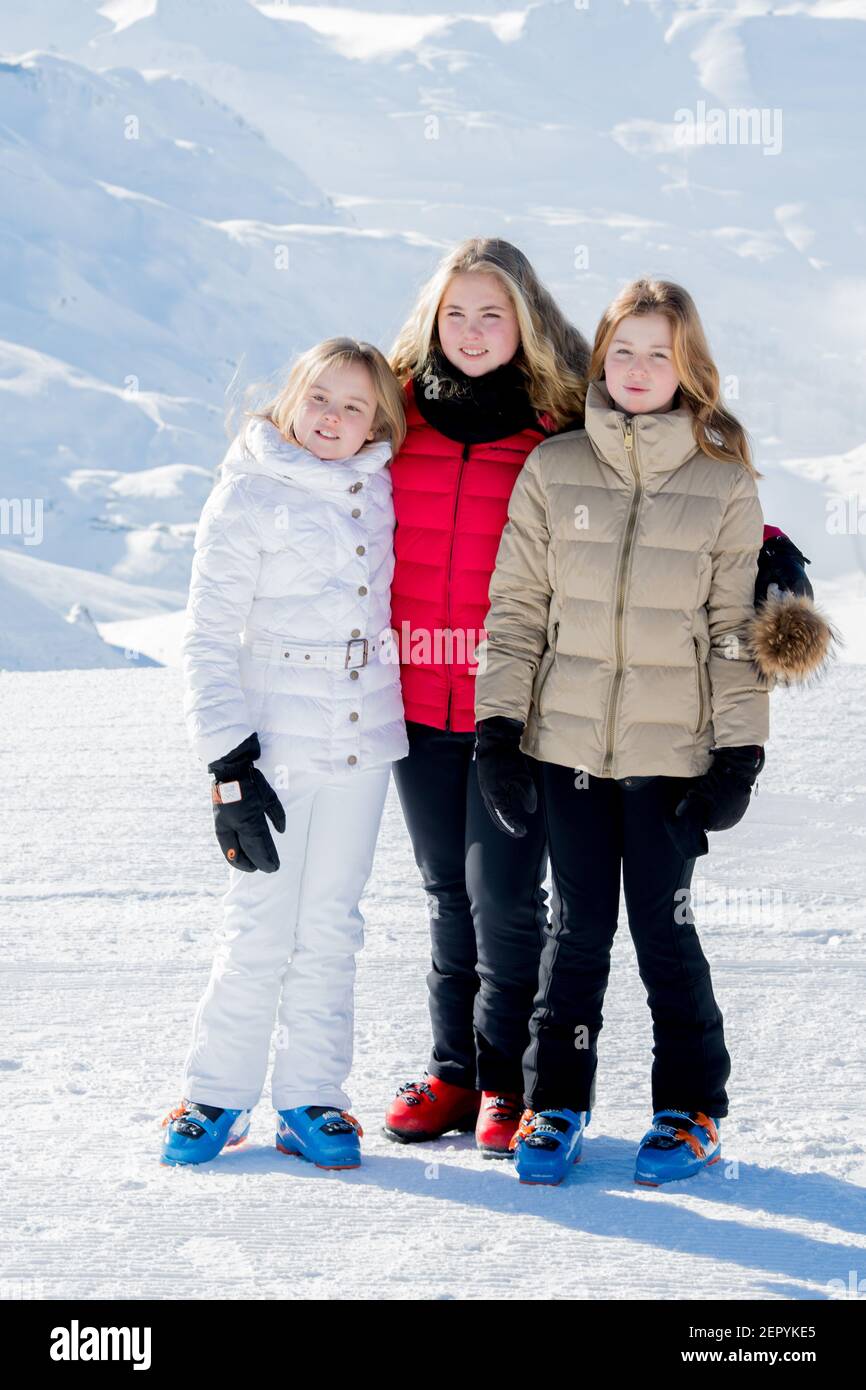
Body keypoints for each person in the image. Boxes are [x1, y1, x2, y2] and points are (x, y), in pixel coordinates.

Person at [473, 277, 833, 1186]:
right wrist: (498, 726)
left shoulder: (720, 486)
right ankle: (554, 1104)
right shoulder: (554, 470)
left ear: (688, 366)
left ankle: (691, 1109)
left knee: (664, 931)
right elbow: (517, 610)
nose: (637, 368)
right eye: (621, 350)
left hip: (671, 757)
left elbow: (733, 633)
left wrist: (740, 751)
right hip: (567, 749)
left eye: (658, 352)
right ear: (600, 360)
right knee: (577, 931)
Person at [162, 338, 408, 1170]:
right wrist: (228, 763)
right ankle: (217, 1093)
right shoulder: (248, 492)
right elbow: (204, 636)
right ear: (289, 400)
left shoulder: (379, 489)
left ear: (380, 421)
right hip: (273, 745)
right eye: (320, 399)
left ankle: (312, 1097)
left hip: (364, 739)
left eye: (355, 406)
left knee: (333, 922)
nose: (333, 420)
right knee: (260, 922)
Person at [381, 238, 589, 1155]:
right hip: (417, 696)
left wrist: (770, 536)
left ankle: (507, 1079)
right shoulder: (393, 415)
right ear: (433, 318)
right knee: (444, 891)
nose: (470, 331)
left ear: (525, 322)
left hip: (521, 710)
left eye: (490, 313)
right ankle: (453, 1074)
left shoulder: (561, 425)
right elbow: (300, 451)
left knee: (504, 894)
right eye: (455, 312)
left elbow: (670, 477)